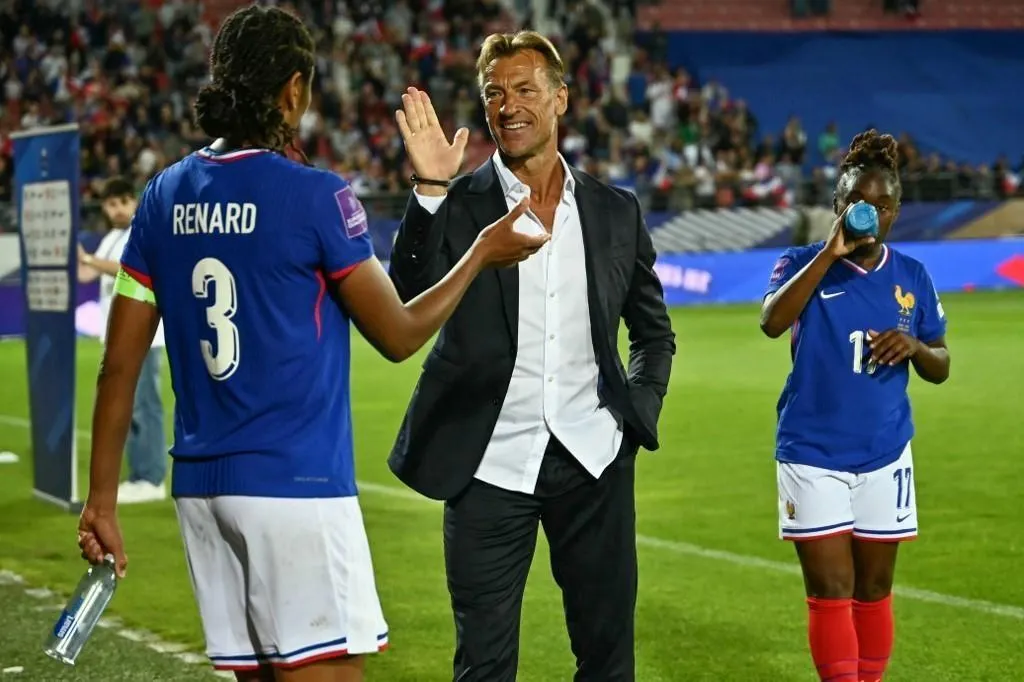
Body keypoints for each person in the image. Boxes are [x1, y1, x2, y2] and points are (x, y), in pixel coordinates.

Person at [75, 6, 548, 682]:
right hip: (294, 487)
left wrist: (100, 502)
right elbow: (399, 333)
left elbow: (117, 367)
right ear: (294, 89)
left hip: (202, 488)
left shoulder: (161, 198)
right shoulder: (315, 197)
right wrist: (481, 250)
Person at [388, 31, 676, 681]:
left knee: (607, 661)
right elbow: (404, 299)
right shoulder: (457, 204)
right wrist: (430, 189)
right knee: (484, 665)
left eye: (524, 89)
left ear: (560, 100)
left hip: (593, 462)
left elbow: (653, 333)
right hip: (486, 465)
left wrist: (633, 414)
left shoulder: (613, 212)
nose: (508, 105)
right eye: (494, 93)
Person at [759, 129, 951, 682]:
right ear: (838, 206)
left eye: (881, 205)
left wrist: (916, 347)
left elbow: (941, 364)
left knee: (873, 591)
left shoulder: (912, 276)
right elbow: (773, 322)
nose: (870, 214)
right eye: (856, 204)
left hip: (886, 455)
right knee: (830, 590)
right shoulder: (801, 261)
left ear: (896, 211)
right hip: (811, 454)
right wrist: (829, 252)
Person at [77, 177, 168, 503]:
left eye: (123, 202)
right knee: (128, 408)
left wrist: (89, 260)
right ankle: (139, 475)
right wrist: (73, 257)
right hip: (118, 335)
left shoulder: (140, 231)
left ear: (134, 202)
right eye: (112, 204)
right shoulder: (112, 237)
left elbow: (120, 269)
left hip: (143, 335)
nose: (118, 209)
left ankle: (152, 478)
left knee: (145, 406)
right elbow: (87, 273)